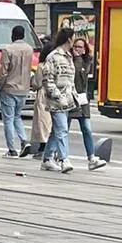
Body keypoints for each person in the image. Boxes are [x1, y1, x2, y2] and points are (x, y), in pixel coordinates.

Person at [35, 27, 77, 174]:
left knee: (57, 130)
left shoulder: (68, 56)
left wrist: (74, 96)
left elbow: (70, 80)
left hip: (67, 99)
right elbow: (48, 79)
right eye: (73, 38)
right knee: (62, 129)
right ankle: (64, 159)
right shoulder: (53, 57)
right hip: (56, 101)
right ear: (69, 39)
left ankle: (47, 159)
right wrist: (57, 95)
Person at [0, 25, 34, 158]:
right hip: (23, 88)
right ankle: (24, 140)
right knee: (17, 116)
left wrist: (0, 85)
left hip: (9, 87)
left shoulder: (8, 49)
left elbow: (4, 71)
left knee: (8, 119)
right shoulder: (29, 49)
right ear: (23, 35)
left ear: (13, 34)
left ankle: (12, 149)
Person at [70, 37, 106, 170]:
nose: (77, 49)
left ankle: (91, 157)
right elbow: (76, 76)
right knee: (63, 129)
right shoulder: (72, 61)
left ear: (85, 49)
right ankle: (55, 155)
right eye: (75, 47)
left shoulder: (87, 62)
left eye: (80, 47)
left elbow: (83, 79)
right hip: (71, 98)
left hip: (82, 100)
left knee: (86, 129)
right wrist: (77, 58)